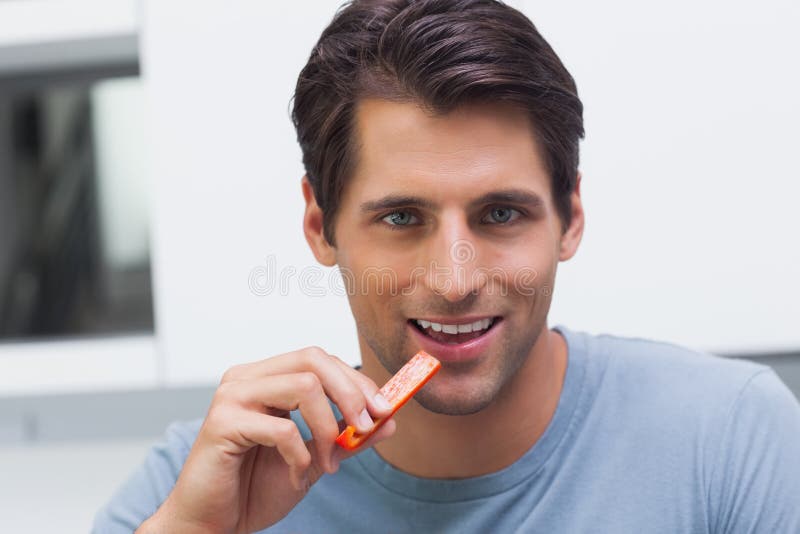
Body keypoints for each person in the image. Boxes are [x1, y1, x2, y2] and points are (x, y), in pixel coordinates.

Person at [94, 1, 800, 532]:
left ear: (570, 218)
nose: (455, 281)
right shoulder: (196, 485)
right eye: (402, 218)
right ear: (319, 226)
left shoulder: (732, 442)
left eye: (501, 214)